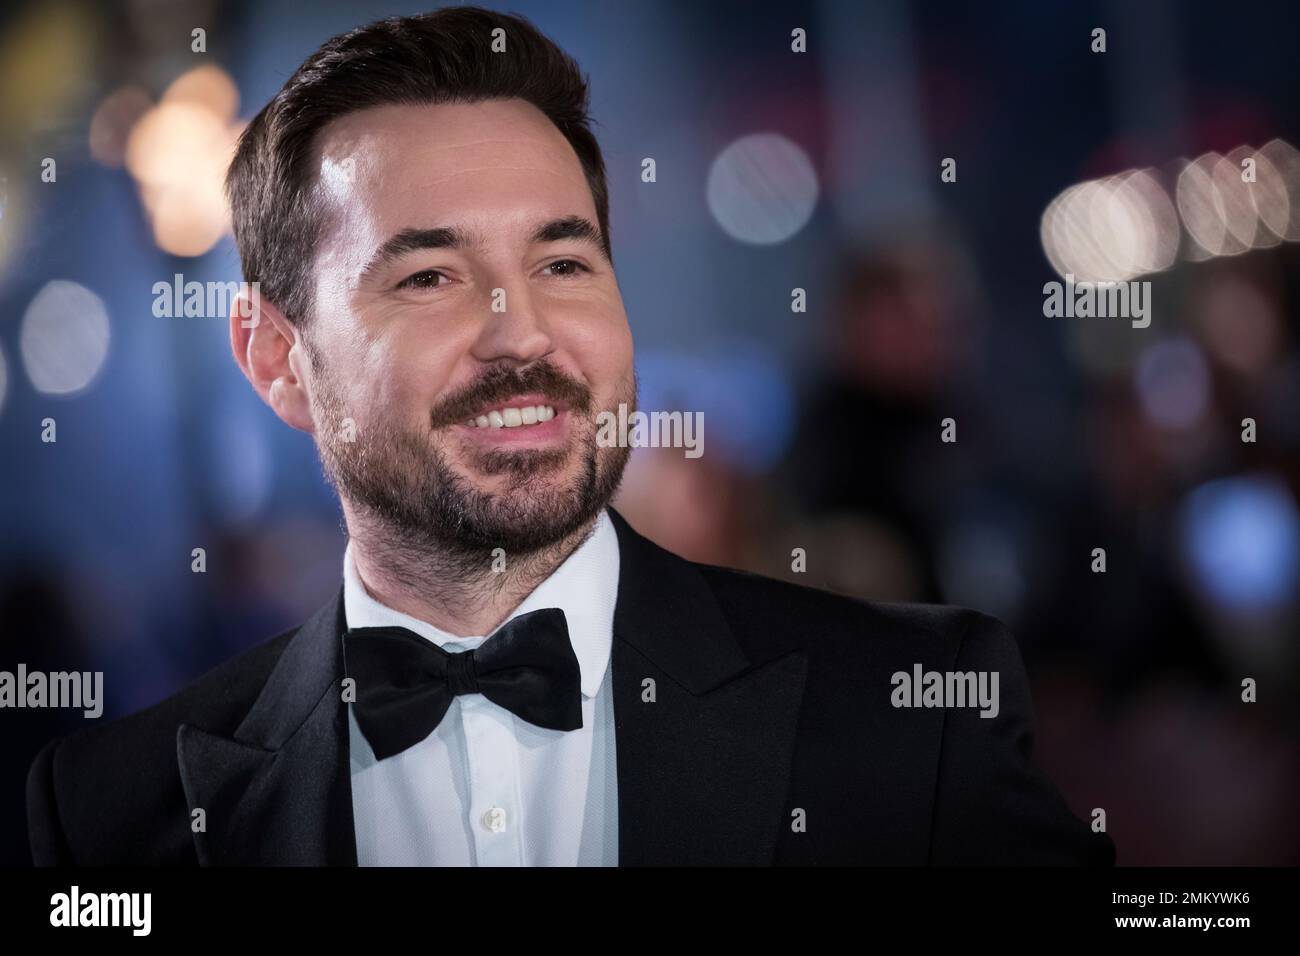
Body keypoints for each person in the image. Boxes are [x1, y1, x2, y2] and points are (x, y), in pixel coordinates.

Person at [26, 7, 1114, 866]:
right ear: (275, 358)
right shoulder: (115, 810)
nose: (523, 333)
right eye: (429, 275)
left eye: (562, 262)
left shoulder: (909, 714)